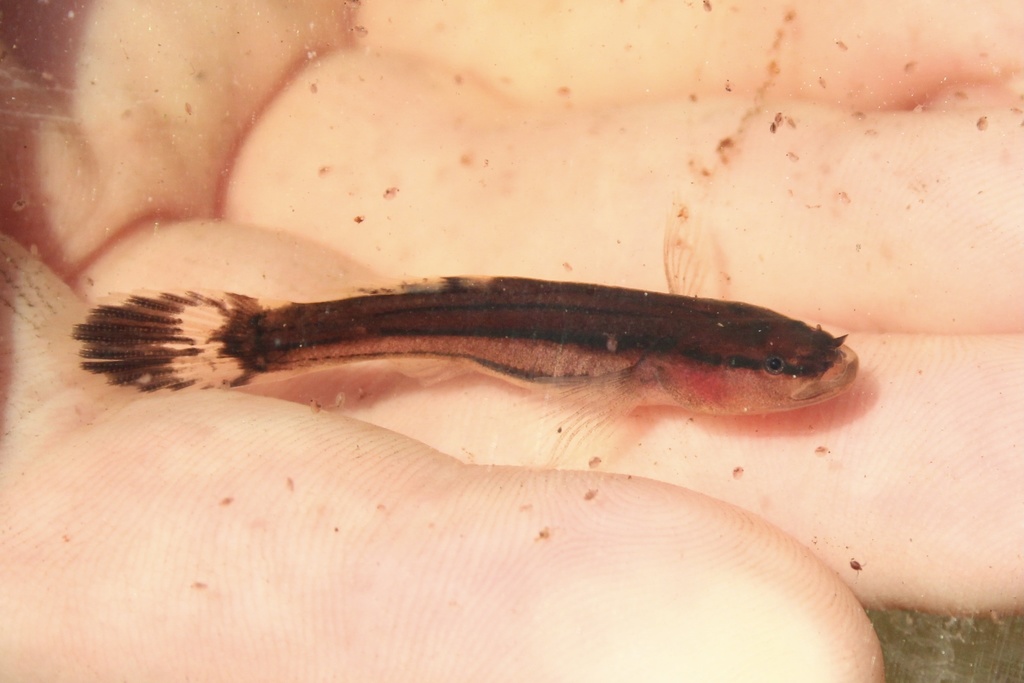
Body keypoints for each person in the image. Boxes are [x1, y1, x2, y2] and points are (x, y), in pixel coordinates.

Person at [0, 1, 1020, 680]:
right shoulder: (653, 369)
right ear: (708, 372)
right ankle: (246, 344)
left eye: (805, 359)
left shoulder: (681, 354)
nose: (820, 373)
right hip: (445, 319)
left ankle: (251, 343)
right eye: (791, 369)